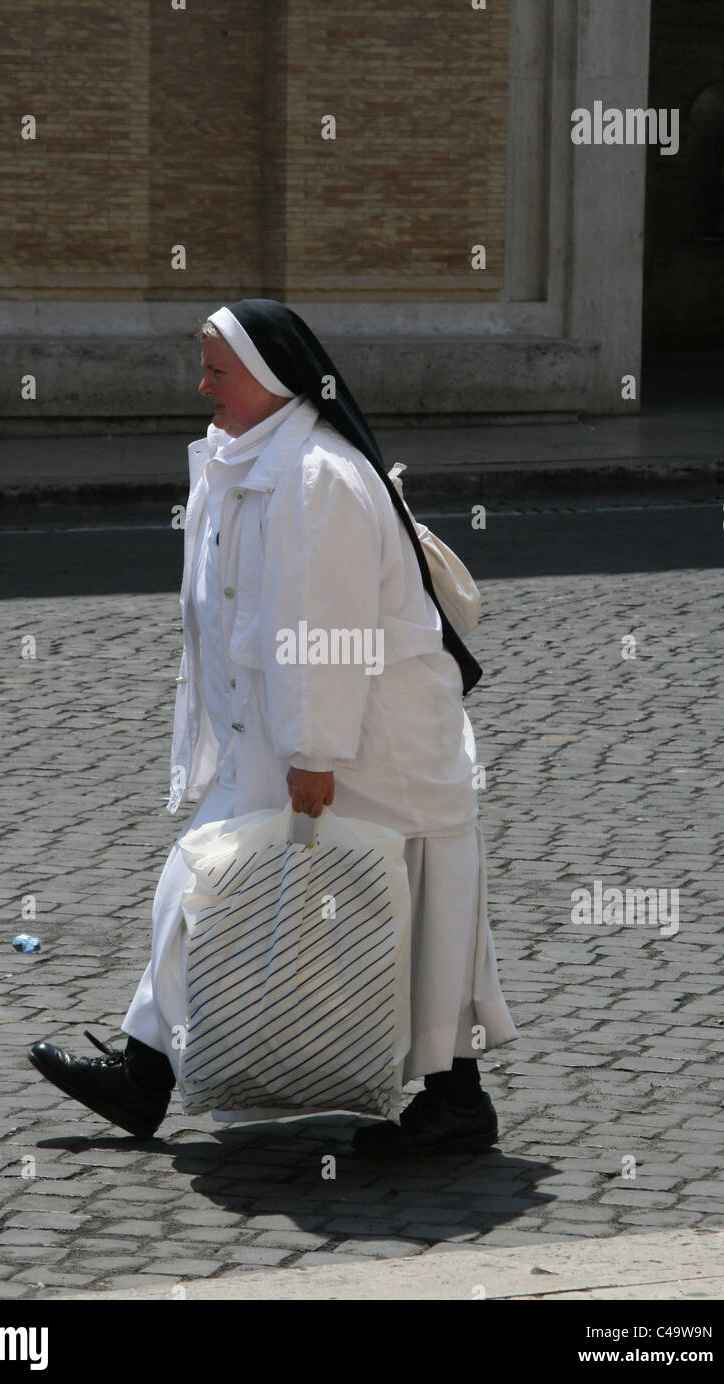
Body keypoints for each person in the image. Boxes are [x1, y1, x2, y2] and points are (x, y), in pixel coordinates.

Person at [29, 299, 518, 1156]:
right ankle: (148, 1072)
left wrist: (313, 753)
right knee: (203, 888)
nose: (202, 385)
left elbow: (321, 623)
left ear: (268, 378)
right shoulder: (253, 458)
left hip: (366, 741)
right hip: (289, 730)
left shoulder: (315, 477)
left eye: (218, 370)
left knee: (415, 909)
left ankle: (456, 1101)